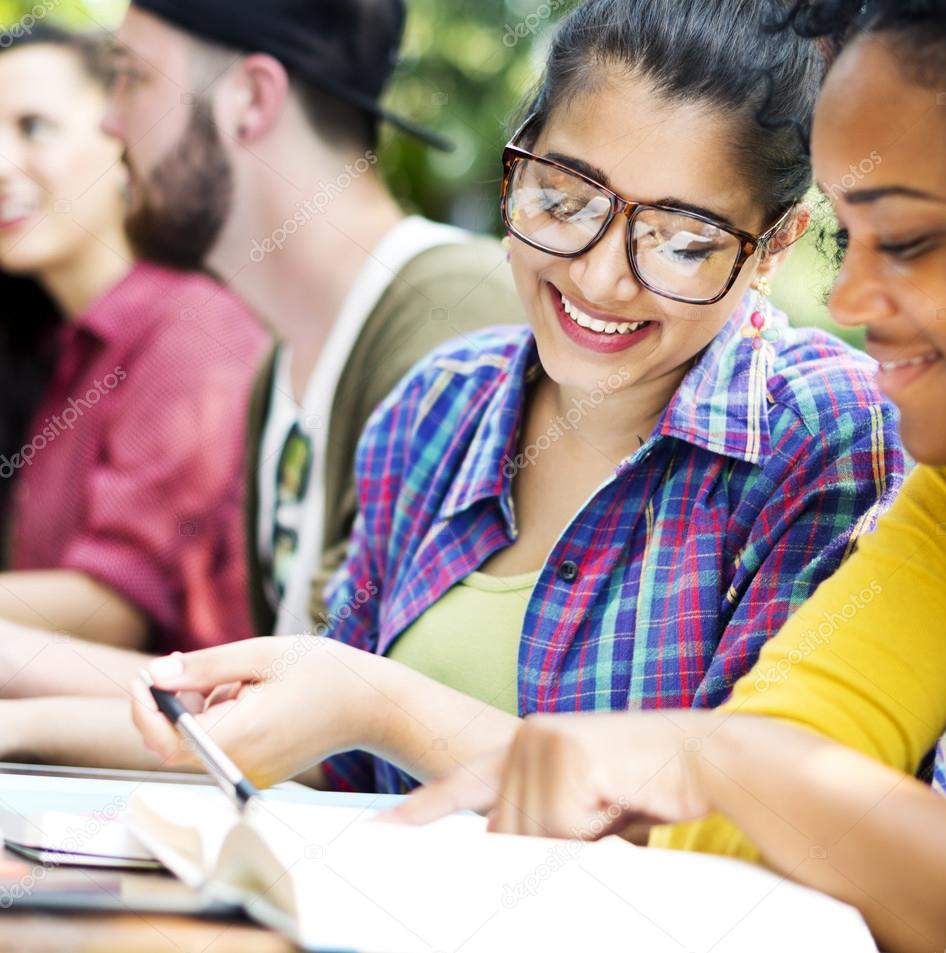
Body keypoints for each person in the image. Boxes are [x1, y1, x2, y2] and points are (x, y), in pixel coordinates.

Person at [131, 0, 904, 794]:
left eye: (681, 243)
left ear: (773, 245)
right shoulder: (434, 408)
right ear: (520, 157)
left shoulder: (825, 435)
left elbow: (761, 815)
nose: (600, 280)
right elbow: (335, 774)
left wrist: (379, 705)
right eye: (565, 200)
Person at [390, 1, 946, 951]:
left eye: (907, 242)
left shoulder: (835, 430)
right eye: (849, 241)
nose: (848, 299)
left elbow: (759, 783)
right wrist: (733, 766)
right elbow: (747, 828)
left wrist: (725, 759)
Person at [0, 0, 520, 769]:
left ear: (251, 100)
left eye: (134, 79)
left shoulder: (454, 318)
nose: (111, 124)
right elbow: (275, 719)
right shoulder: (279, 367)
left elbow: (337, 739)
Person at [0, 25, 268, 652]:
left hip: (182, 745)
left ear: (124, 133)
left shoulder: (191, 328)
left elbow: (118, 605)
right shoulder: (56, 347)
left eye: (34, 127)